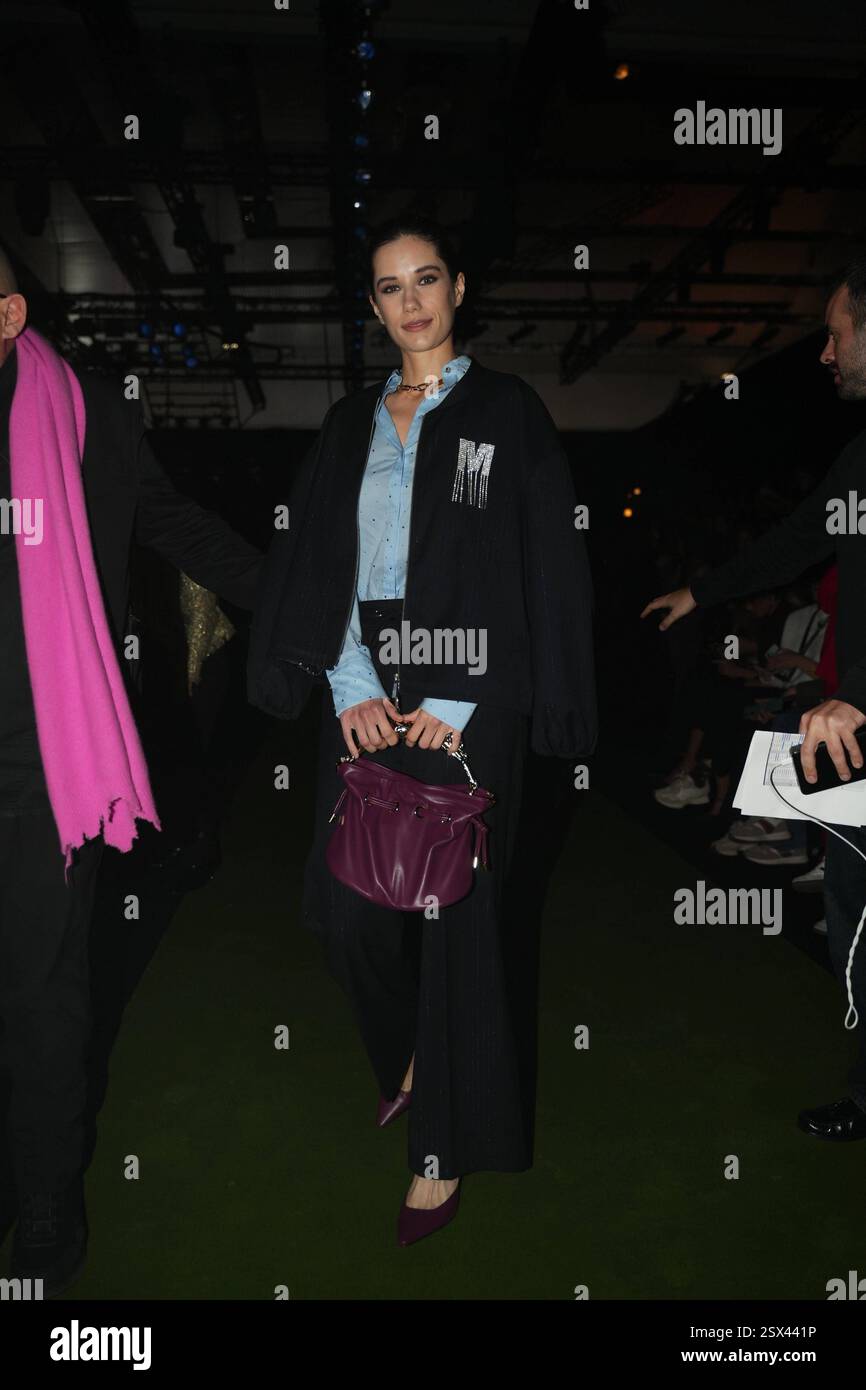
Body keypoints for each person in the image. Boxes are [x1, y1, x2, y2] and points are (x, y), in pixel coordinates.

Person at [249, 214, 598, 1244]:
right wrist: (345, 679)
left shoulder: (506, 410)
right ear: (372, 305)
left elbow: (533, 567)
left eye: (426, 279)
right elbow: (322, 564)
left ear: (457, 289)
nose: (409, 301)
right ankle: (408, 1056)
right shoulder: (349, 421)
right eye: (388, 286)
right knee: (344, 913)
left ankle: (440, 1155)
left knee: (457, 931)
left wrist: (457, 700)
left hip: (471, 696)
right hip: (363, 680)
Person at [0, 246, 262, 1294]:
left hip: (39, 766)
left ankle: (47, 1206)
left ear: (8, 311)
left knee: (43, 999)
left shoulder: (88, 415)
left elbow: (172, 522)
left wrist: (301, 597)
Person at [640, 254, 866, 1144]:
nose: (824, 351)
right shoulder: (860, 455)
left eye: (837, 329)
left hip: (855, 713)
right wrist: (705, 591)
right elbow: (797, 538)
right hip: (852, 731)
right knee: (851, 907)